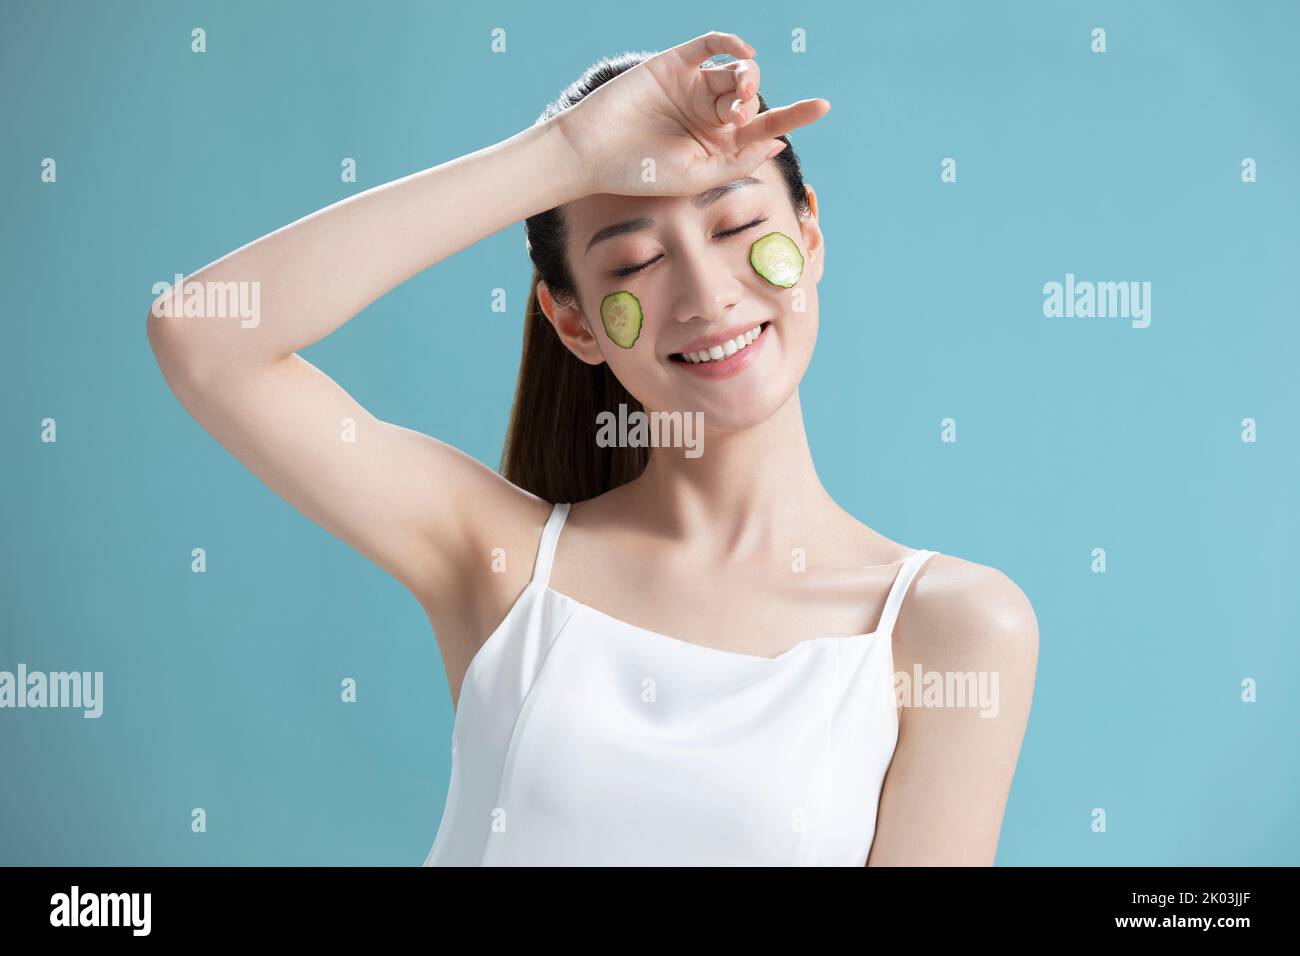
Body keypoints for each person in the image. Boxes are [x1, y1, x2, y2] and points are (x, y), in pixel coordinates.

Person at [146, 31, 1039, 866]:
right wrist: (563, 159)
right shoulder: (501, 565)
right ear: (572, 320)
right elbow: (201, 335)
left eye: (734, 230)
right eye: (636, 261)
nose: (705, 295)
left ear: (808, 236)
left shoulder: (950, 629)